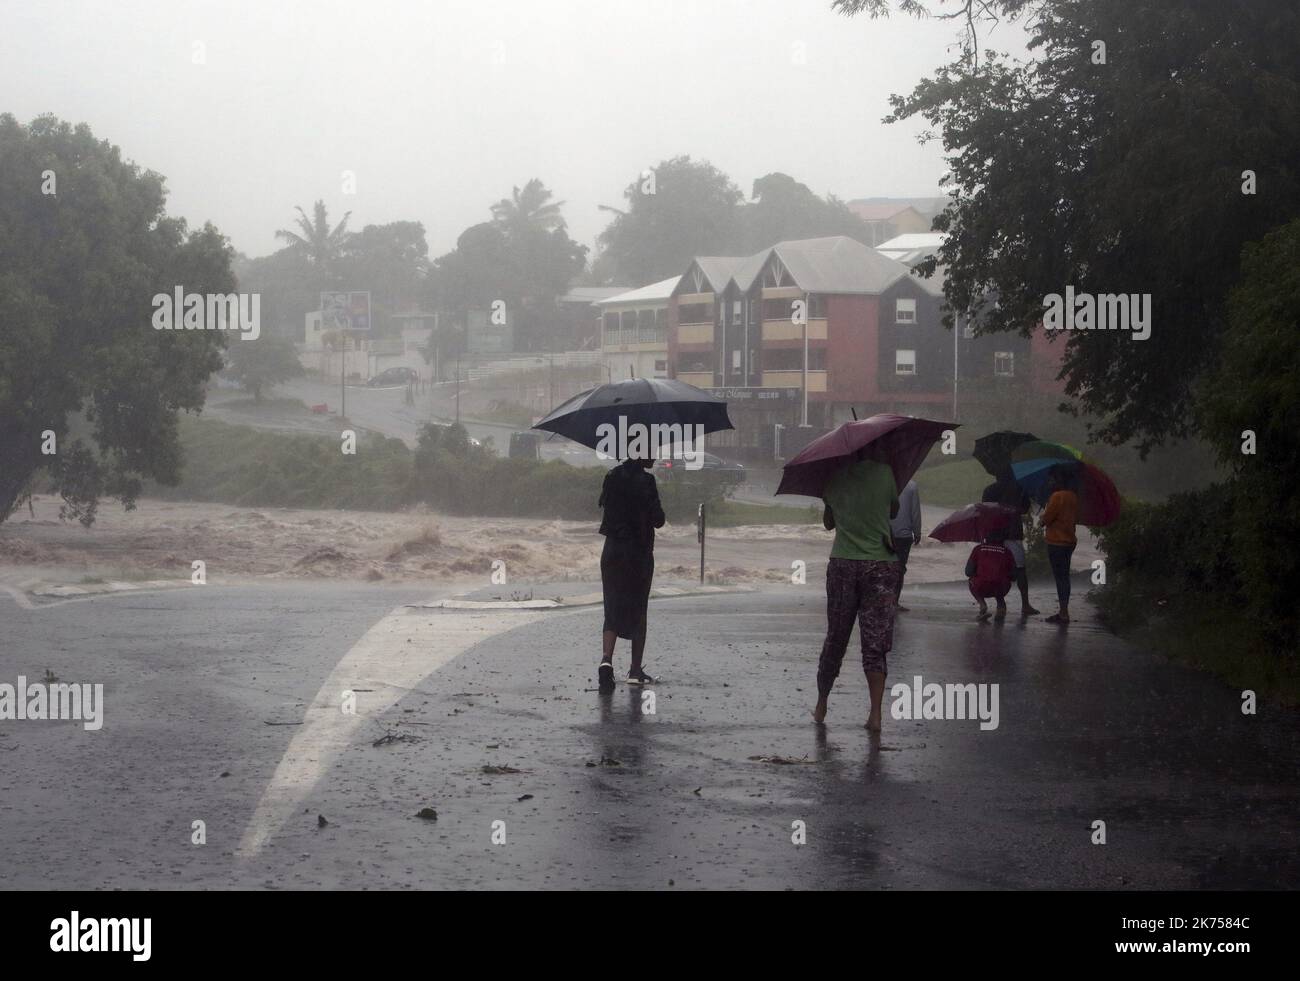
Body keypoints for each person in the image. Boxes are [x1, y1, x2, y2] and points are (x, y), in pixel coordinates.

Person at [812, 452, 900, 732]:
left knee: (836, 638)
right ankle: (875, 713)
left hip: (843, 565)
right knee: (875, 642)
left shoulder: (833, 477)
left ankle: (822, 702)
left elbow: (829, 523)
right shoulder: (886, 472)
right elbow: (893, 512)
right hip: (880, 565)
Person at [596, 451, 665, 690]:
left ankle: (606, 660)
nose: (655, 458)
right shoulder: (647, 481)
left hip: (612, 552)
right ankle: (635, 670)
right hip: (638, 553)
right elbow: (658, 519)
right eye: (651, 453)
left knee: (611, 607)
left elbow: (606, 510)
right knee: (639, 608)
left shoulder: (612, 476)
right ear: (640, 455)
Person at [981, 472, 1039, 616]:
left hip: (994, 533)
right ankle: (1025, 604)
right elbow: (1025, 509)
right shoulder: (1019, 489)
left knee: (996, 570)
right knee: (1020, 569)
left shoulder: (989, 490)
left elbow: (984, 511)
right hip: (1013, 532)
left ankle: (1001, 604)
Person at [1038, 467, 1080, 624]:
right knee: (1065, 577)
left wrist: (1043, 517)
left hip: (1056, 542)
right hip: (1069, 541)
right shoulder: (1073, 496)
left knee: (1060, 578)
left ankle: (1063, 613)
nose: (1050, 481)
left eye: (1053, 478)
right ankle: (1064, 610)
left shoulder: (1057, 497)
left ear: (1058, 479)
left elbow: (1046, 520)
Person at [965, 530, 1017, 622]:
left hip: (981, 586)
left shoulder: (978, 549)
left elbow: (968, 572)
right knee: (1000, 581)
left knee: (971, 581)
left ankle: (982, 604)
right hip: (1002, 588)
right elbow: (1014, 576)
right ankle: (1001, 606)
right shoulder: (1007, 552)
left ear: (986, 538)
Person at [889, 478, 922, 611]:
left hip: (884, 533)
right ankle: (894, 601)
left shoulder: (886, 483)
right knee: (900, 569)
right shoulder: (912, 486)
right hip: (904, 536)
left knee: (884, 567)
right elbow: (915, 511)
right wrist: (917, 531)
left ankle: (883, 599)